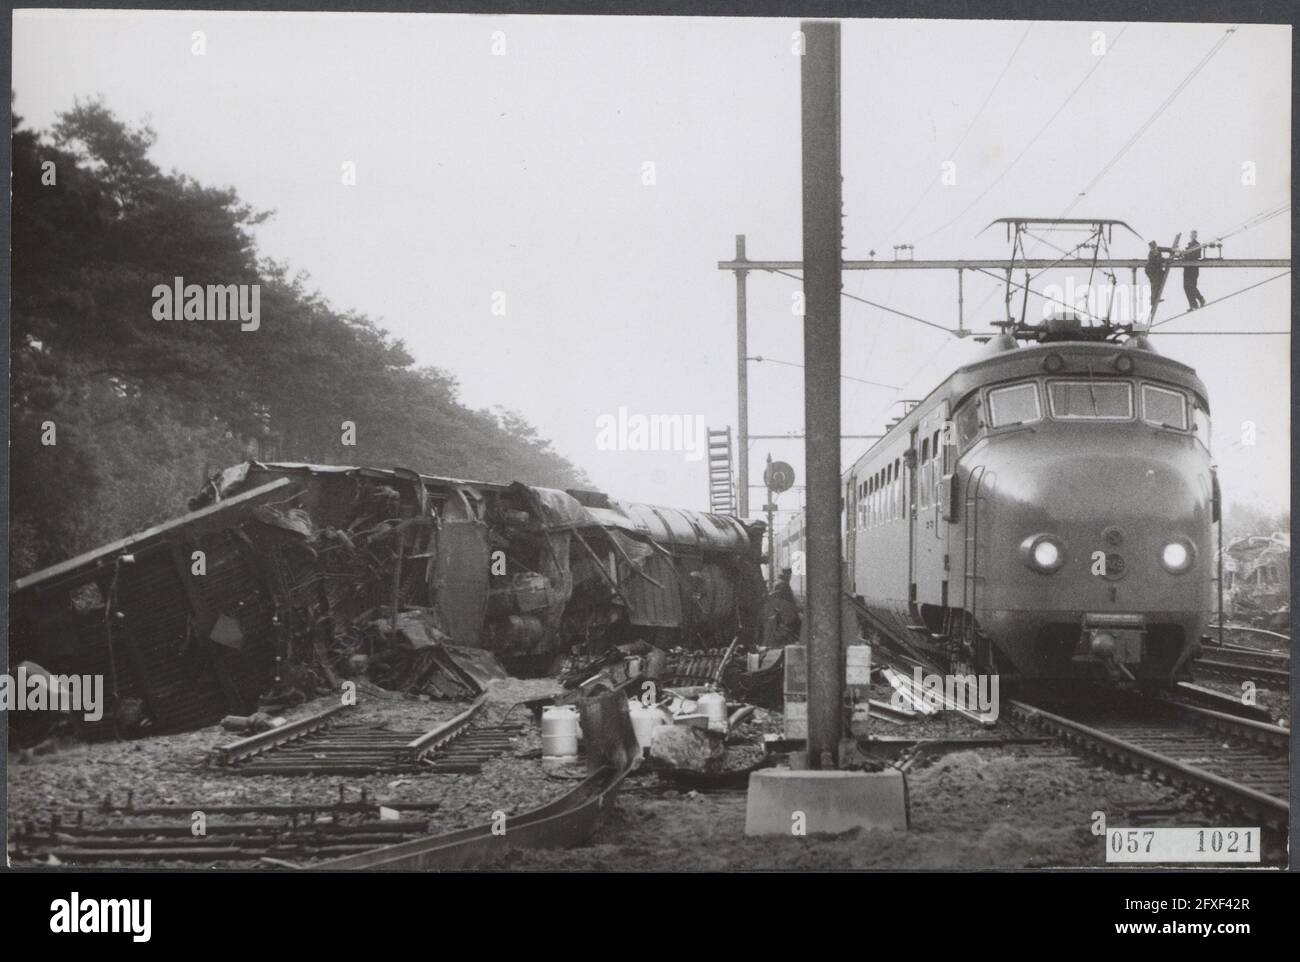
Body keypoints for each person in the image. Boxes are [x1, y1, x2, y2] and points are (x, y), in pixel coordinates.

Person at [1181, 230, 1207, 310]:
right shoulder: (1189, 245)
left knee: (1190, 286)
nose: (1193, 236)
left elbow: (1196, 255)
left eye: (1194, 235)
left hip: (1192, 268)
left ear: (1195, 236)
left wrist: (1184, 255)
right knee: (1186, 286)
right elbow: (1188, 254)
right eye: (1192, 235)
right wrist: (1183, 255)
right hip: (1188, 268)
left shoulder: (1196, 245)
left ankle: (1200, 299)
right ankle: (1193, 304)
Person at [1144, 240, 1168, 307]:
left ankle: (1155, 298)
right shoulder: (1151, 254)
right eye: (1152, 248)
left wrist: (1172, 249)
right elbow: (1159, 260)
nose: (1154, 249)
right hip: (1151, 271)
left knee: (1159, 281)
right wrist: (1166, 260)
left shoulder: (1158, 249)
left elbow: (1165, 249)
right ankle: (1153, 300)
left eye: (1154, 247)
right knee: (1155, 284)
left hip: (1156, 270)